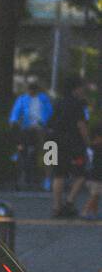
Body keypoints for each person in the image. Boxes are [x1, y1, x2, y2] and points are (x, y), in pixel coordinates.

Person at [49, 77, 90, 219]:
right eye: (81, 87)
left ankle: (56, 207)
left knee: (58, 174)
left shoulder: (57, 102)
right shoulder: (78, 104)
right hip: (73, 144)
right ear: (76, 88)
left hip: (54, 142)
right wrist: (88, 143)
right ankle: (69, 201)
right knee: (82, 174)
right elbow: (81, 125)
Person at [9, 77, 53, 190]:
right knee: (24, 151)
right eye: (30, 89)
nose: (31, 91)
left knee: (47, 151)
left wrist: (45, 123)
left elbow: (50, 112)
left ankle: (48, 178)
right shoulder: (23, 99)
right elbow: (16, 112)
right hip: (27, 129)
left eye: (33, 89)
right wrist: (13, 121)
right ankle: (25, 176)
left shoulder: (43, 99)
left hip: (41, 127)